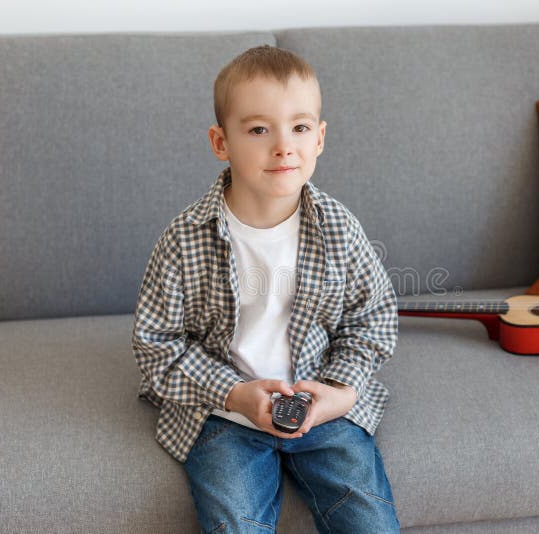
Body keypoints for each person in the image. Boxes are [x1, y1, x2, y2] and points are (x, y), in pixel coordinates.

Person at [132, 44, 400, 533]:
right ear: (220, 142)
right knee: (236, 524)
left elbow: (372, 316)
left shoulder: (338, 227)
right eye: (258, 129)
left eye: (299, 128)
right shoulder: (184, 237)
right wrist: (234, 395)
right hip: (224, 416)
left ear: (319, 138)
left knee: (370, 521)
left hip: (319, 401)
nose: (284, 146)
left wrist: (339, 393)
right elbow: (156, 346)